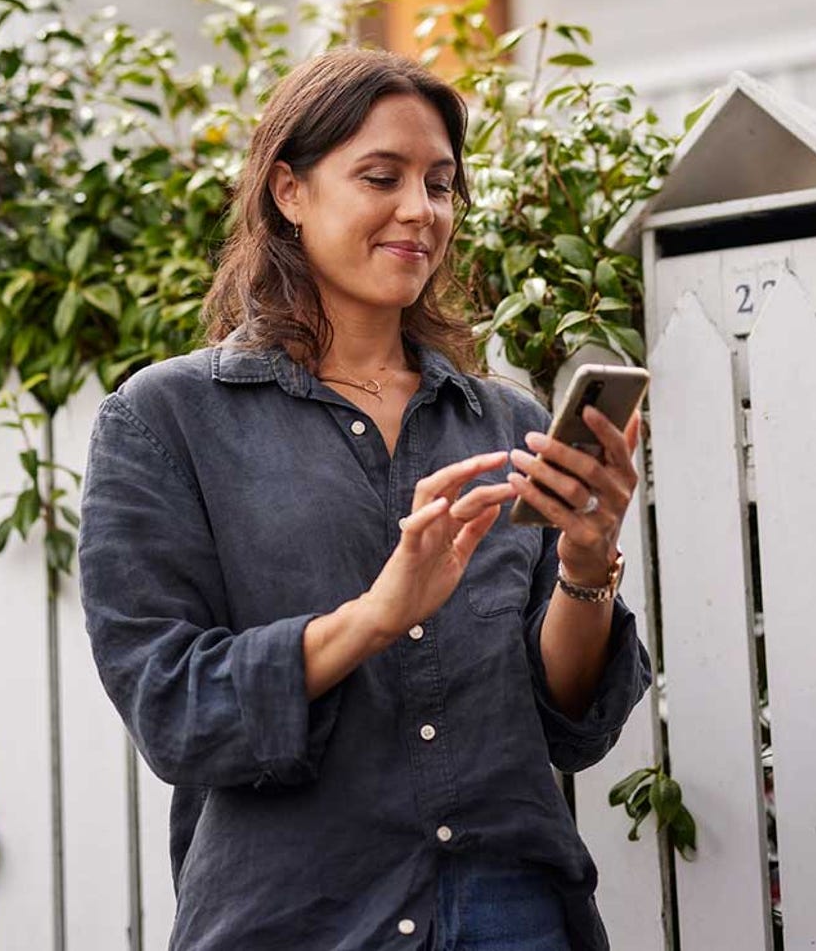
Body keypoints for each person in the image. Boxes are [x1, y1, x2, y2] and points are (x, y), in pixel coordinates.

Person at [77, 47, 653, 951]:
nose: (420, 211)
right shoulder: (167, 420)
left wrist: (587, 566)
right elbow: (173, 705)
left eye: (441, 183)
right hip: (299, 917)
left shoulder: (505, 421)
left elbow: (566, 724)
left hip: (515, 913)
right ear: (289, 190)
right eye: (380, 176)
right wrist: (378, 615)